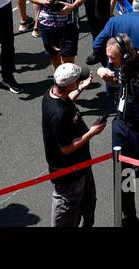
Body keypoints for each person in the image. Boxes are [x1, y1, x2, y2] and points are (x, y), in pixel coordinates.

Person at [95, 34, 139, 227]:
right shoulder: (118, 65)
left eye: (113, 58)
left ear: (126, 55)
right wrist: (105, 73)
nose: (110, 61)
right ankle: (129, 216)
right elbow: (117, 82)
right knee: (124, 174)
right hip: (122, 126)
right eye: (108, 57)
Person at [42, 62, 106, 227]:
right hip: (69, 174)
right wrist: (92, 132)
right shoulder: (58, 115)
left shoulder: (53, 94)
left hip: (81, 166)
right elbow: (66, 148)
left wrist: (80, 88)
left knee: (88, 203)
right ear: (68, 84)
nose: (80, 81)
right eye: (78, 80)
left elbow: (66, 100)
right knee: (67, 213)